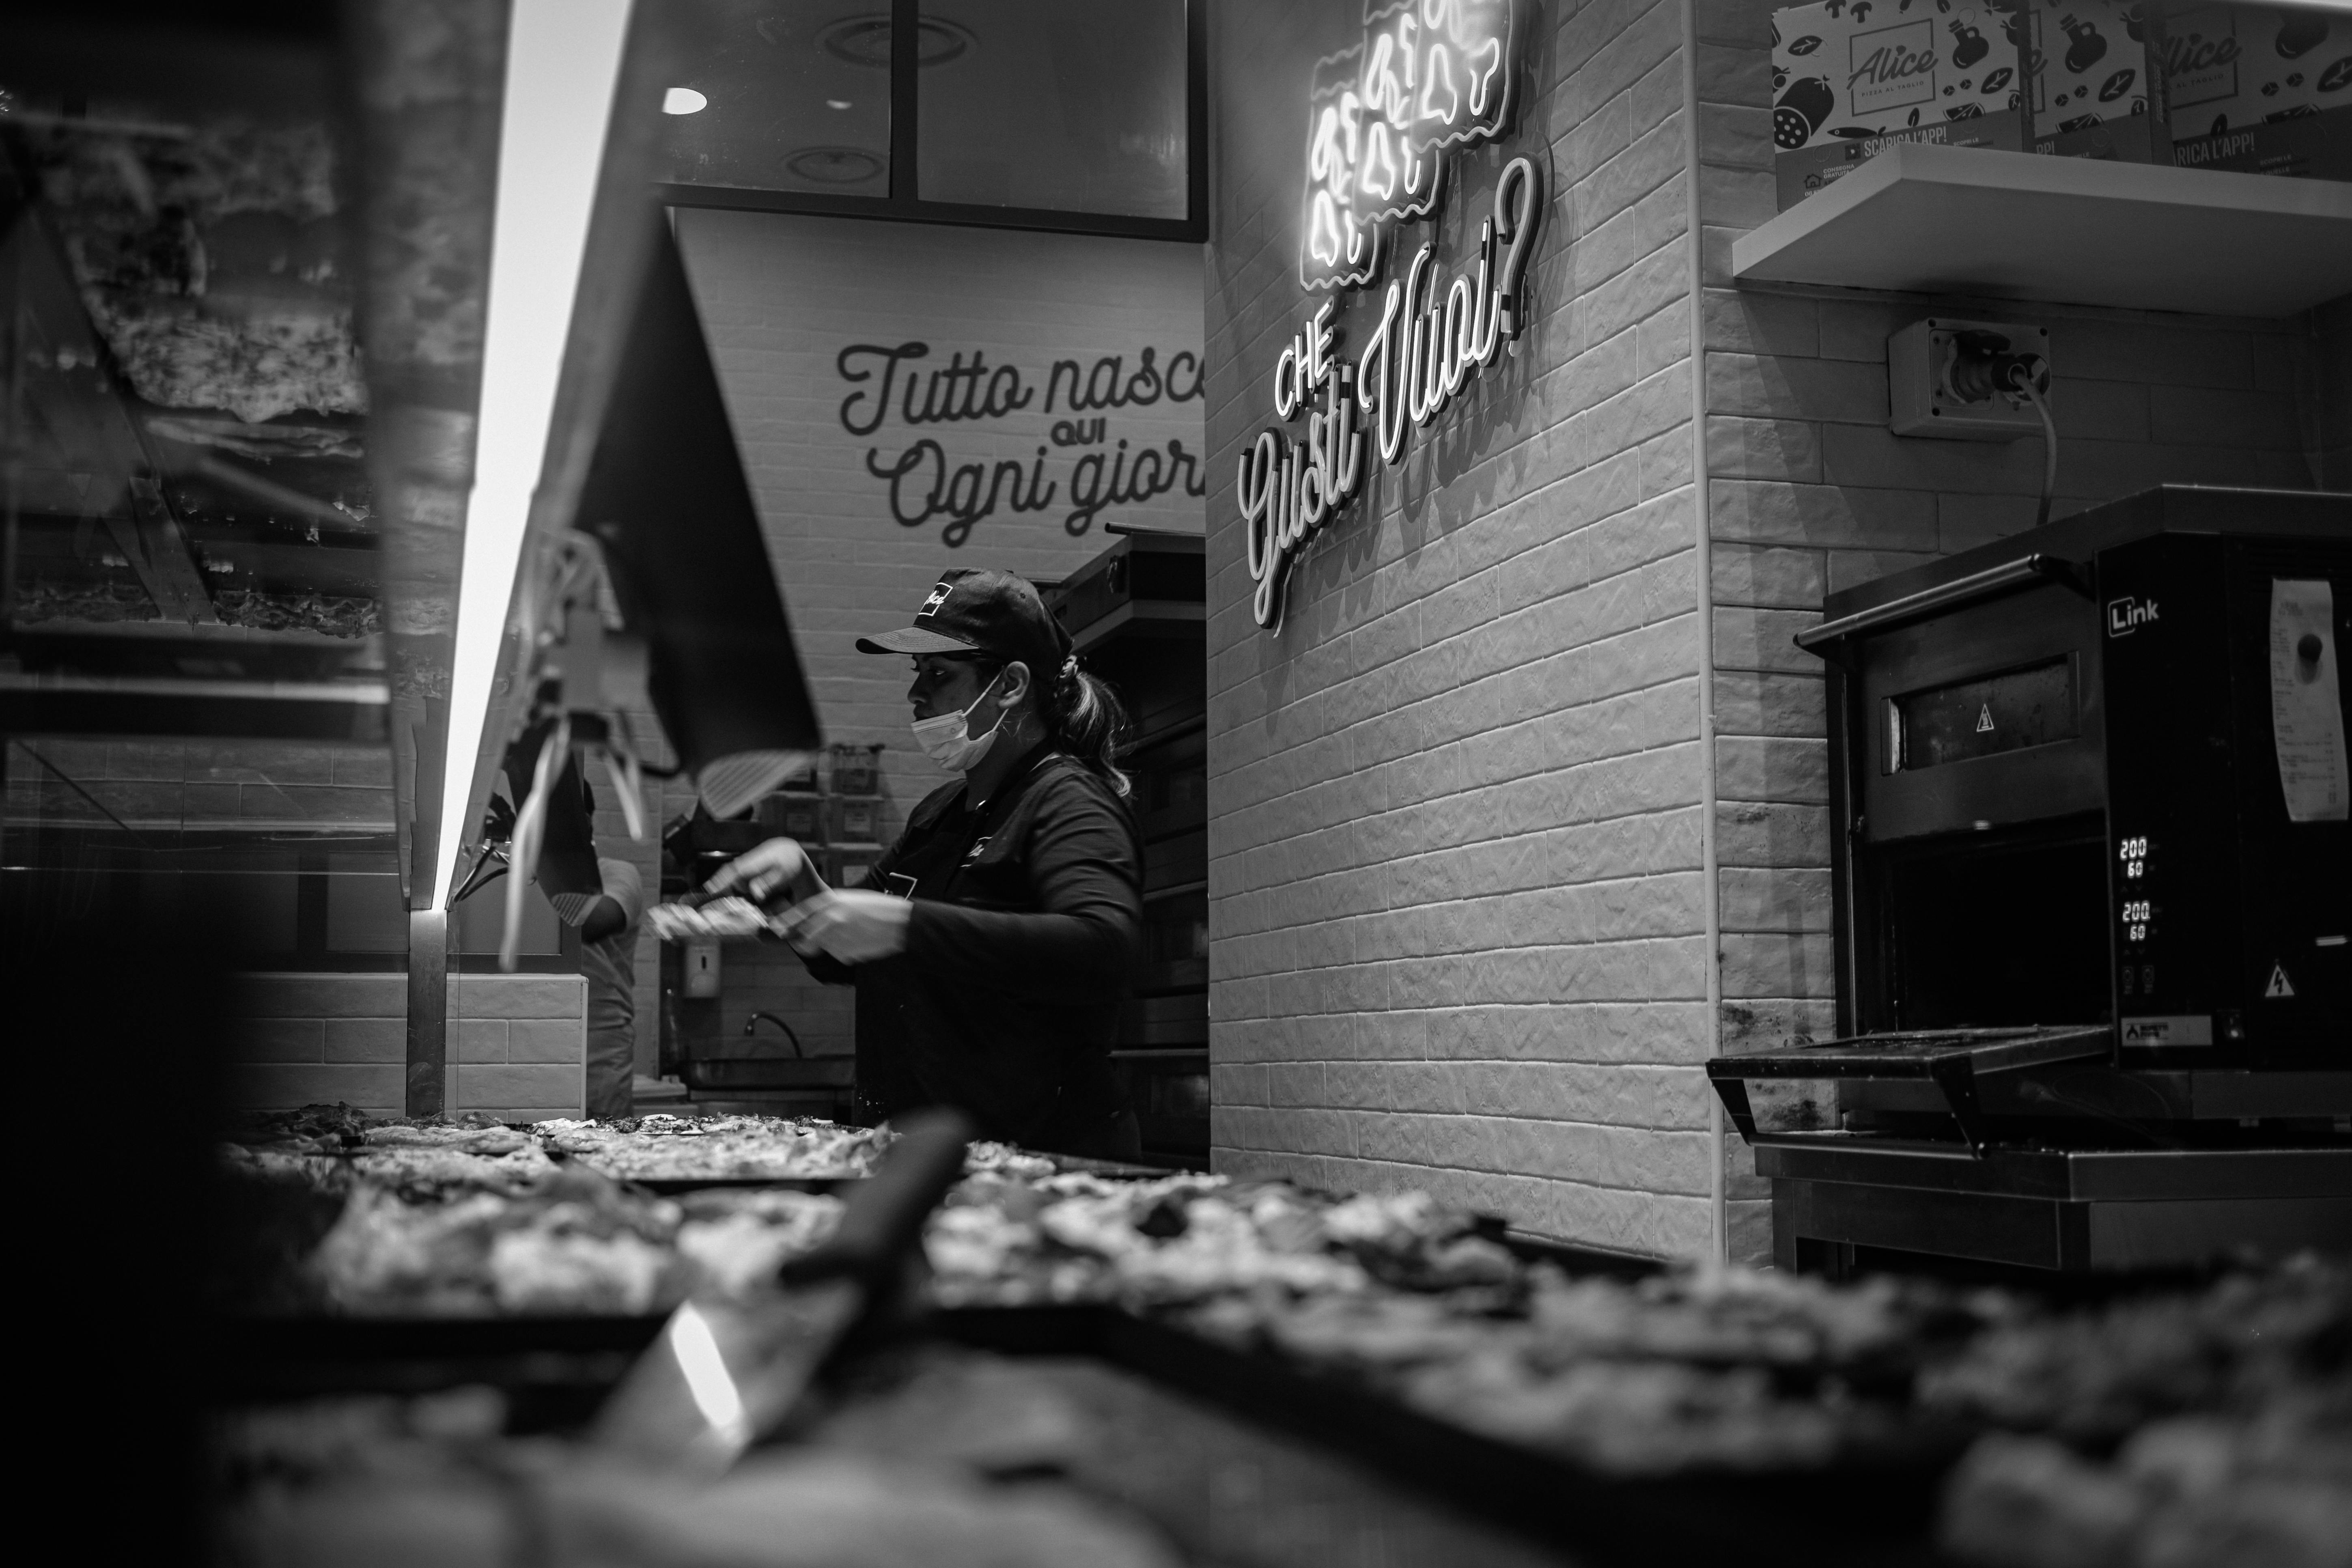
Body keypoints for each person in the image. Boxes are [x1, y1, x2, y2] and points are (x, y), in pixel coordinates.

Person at [708, 568, 1144, 1159]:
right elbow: (846, 954)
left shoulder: (1067, 802)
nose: (916, 696)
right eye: (918, 675)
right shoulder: (939, 815)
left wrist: (907, 926)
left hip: (1038, 1162)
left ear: (1011, 684)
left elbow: (1104, 948)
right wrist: (802, 884)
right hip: (924, 1159)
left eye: (939, 676)